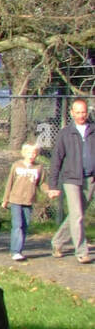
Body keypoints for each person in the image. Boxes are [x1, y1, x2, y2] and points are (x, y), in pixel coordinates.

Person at [46, 97, 95, 264]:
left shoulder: (93, 130)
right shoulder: (65, 133)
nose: (81, 115)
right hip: (71, 179)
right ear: (72, 113)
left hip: (90, 178)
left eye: (84, 112)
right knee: (78, 215)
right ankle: (82, 251)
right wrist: (53, 185)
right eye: (78, 112)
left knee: (76, 215)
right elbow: (56, 160)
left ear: (87, 113)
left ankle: (57, 242)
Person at [1, 142, 44, 261]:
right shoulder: (17, 165)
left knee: (25, 225)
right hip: (15, 200)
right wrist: (5, 199)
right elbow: (9, 183)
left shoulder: (39, 167)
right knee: (17, 225)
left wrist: (49, 191)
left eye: (34, 153)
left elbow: (42, 183)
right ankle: (15, 251)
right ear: (24, 153)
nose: (32, 155)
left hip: (29, 201)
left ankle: (19, 249)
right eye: (29, 152)